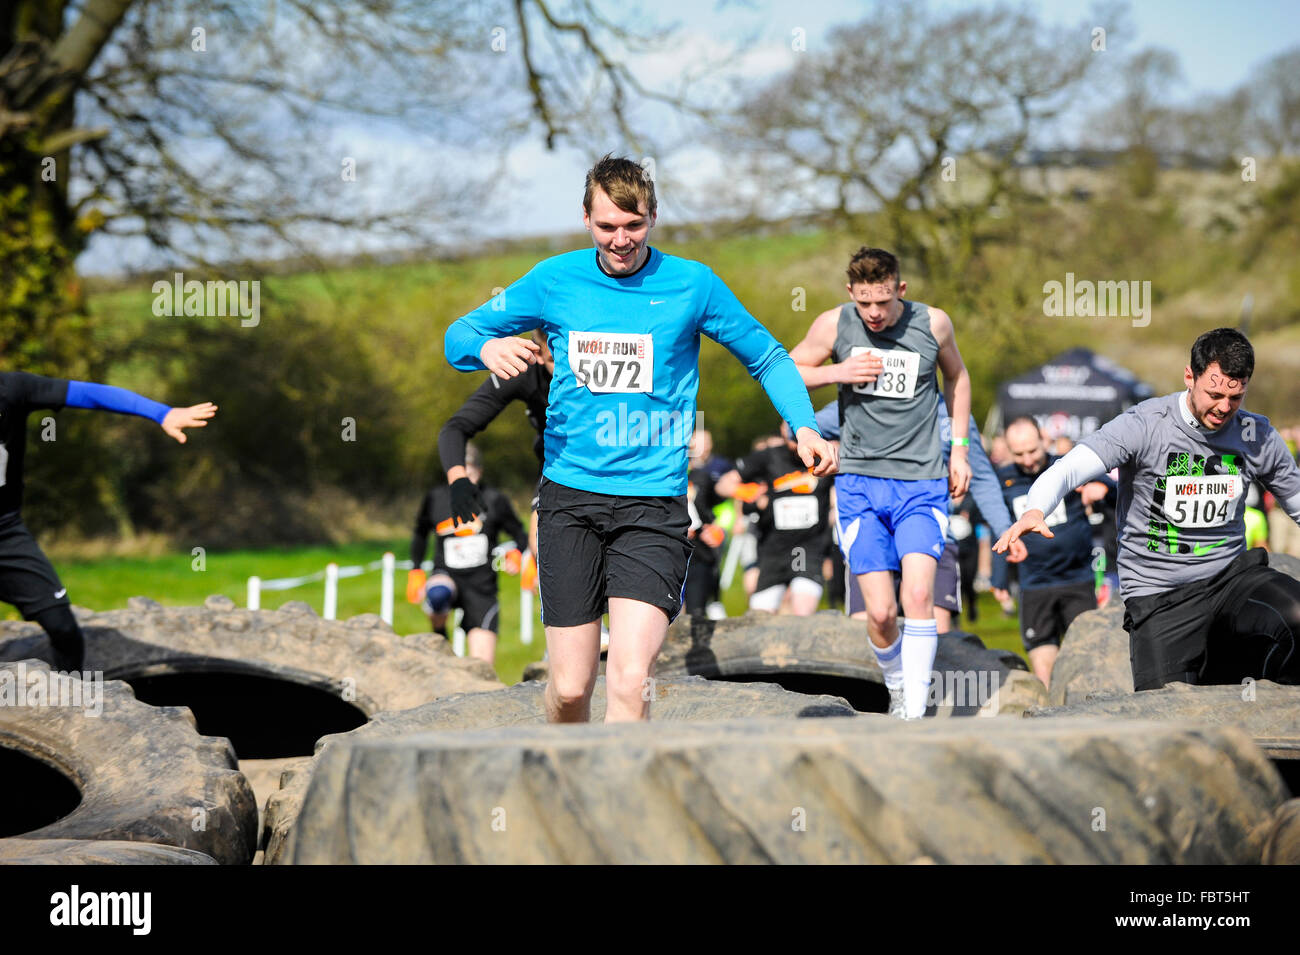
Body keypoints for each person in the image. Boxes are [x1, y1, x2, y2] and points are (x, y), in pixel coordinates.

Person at [443, 154, 836, 723]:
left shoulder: (693, 284)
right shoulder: (555, 281)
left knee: (629, 680)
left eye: (635, 225)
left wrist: (803, 424)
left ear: (653, 216)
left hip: (653, 505)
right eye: (608, 227)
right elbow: (460, 333)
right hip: (570, 501)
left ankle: (615, 808)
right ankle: (563, 785)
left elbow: (769, 356)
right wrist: (487, 348)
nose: (622, 240)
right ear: (586, 220)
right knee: (573, 688)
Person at [995, 328, 1300, 691]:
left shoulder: (1256, 435)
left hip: (1230, 579)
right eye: (1214, 394)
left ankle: (1270, 705)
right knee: (1164, 715)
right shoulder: (1145, 424)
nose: (1223, 408)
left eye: (1235, 397)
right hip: (1160, 596)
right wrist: (1035, 509)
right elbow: (1069, 468)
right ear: (1190, 376)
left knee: (1296, 615)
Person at [789, 247, 972, 718]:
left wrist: (959, 448)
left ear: (901, 291)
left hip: (920, 479)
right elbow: (785, 371)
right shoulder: (835, 325)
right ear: (851, 293)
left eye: (884, 302)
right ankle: (897, 684)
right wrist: (838, 371)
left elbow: (958, 377)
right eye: (865, 302)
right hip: (858, 483)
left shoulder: (934, 324)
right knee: (881, 614)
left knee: (917, 597)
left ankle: (914, 711)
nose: (874, 312)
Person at [0, 373, 216, 670]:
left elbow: (89, 394)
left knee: (63, 628)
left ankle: (69, 701)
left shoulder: (12, 389)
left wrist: (162, 413)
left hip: (5, 533)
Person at [815, 398, 1021, 634]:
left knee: (937, 636)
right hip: (874, 534)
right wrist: (816, 440)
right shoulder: (859, 402)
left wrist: (1005, 529)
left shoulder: (951, 414)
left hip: (932, 533)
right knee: (872, 629)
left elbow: (982, 478)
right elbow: (794, 429)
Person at [990, 416, 1112, 687]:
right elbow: (995, 529)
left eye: (1032, 450)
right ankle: (1050, 721)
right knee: (1044, 667)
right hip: (1035, 583)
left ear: (1044, 439)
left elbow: (1115, 490)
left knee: (1087, 661)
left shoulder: (1069, 466)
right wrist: (998, 577)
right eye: (1018, 453)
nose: (1028, 459)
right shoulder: (1003, 481)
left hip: (1077, 579)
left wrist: (1101, 488)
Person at [408, 443, 525, 665]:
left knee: (482, 667)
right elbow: (420, 533)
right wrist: (416, 570)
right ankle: (440, 637)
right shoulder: (436, 498)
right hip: (447, 575)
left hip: (482, 586)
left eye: (469, 472)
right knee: (438, 593)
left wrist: (516, 553)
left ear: (479, 471)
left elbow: (519, 533)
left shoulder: (494, 499)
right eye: (458, 473)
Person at [716, 422, 833, 615]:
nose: (798, 445)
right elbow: (723, 484)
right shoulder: (768, 457)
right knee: (759, 616)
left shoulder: (824, 455)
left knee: (802, 612)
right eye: (792, 436)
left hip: (808, 548)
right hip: (774, 549)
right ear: (783, 431)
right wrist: (747, 493)